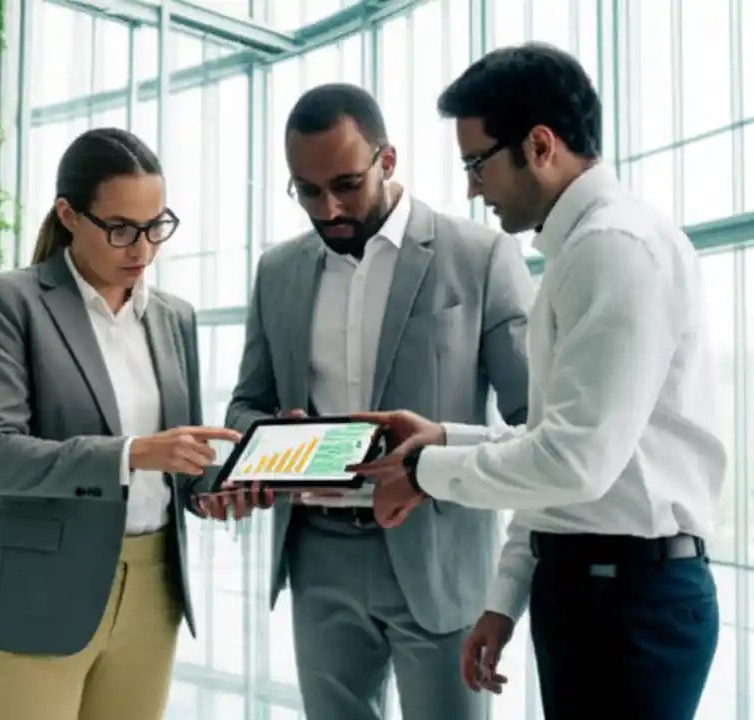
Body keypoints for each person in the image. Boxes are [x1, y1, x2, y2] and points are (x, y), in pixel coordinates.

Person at [348, 43, 728, 720]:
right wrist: (504, 594)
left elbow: (574, 463)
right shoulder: (583, 250)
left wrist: (428, 468)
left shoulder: (613, 250)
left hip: (628, 603)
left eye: (476, 162)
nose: (470, 187)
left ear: (541, 144)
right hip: (593, 587)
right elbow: (558, 447)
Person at [213, 83, 532, 720]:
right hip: (317, 553)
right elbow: (246, 404)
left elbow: (535, 420)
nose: (327, 207)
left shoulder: (480, 256)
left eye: (345, 184)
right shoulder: (277, 271)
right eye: (306, 190)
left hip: (440, 556)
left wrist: (439, 455)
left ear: (388, 161)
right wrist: (271, 438)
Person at [0, 127, 241, 720]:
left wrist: (222, 486)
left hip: (153, 590)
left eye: (156, 225)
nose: (142, 248)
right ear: (68, 214)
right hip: (39, 592)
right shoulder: (9, 302)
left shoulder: (173, 318)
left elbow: (177, 465)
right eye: (121, 228)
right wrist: (131, 453)